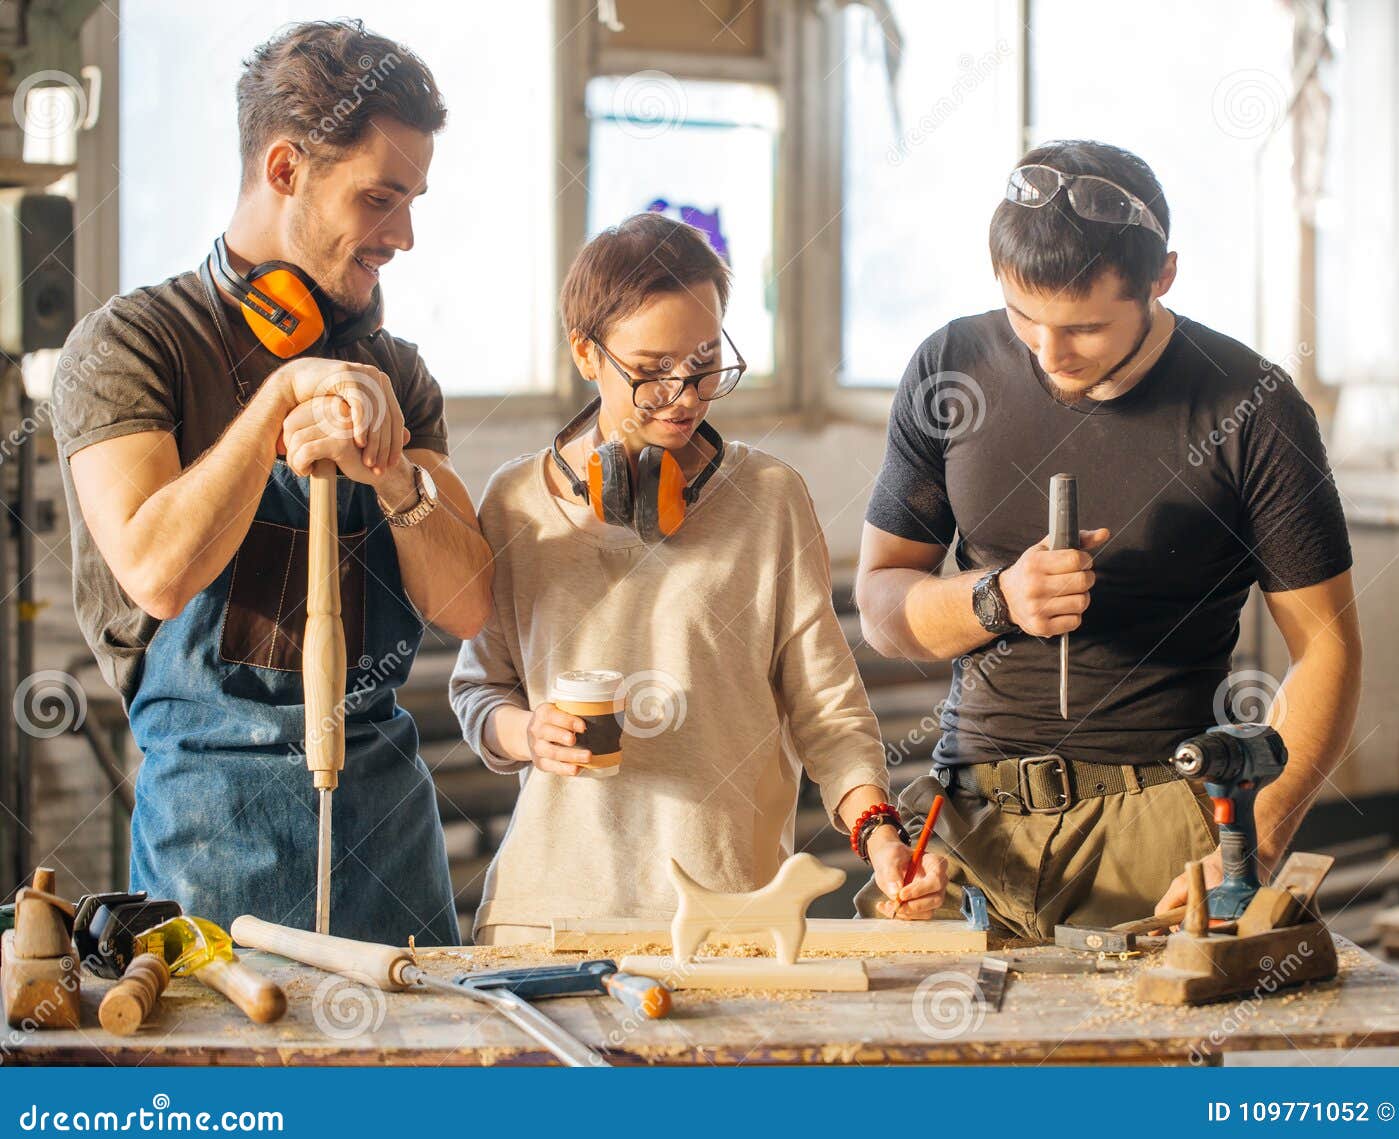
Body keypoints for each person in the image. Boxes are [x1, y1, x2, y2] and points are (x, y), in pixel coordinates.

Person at [52, 21, 493, 945]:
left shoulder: (395, 373)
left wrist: (393, 473)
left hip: (391, 833)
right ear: (286, 168)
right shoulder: (133, 345)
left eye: (413, 200)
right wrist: (279, 399)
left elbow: (468, 603)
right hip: (214, 833)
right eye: (380, 198)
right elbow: (157, 571)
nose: (404, 235)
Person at [853, 139, 1362, 937]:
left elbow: (1328, 649)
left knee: (1139, 1055)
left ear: (1162, 278)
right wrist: (998, 599)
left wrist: (1247, 850)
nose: (1050, 357)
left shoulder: (1253, 408)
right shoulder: (949, 367)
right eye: (1025, 318)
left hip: (1160, 820)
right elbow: (883, 605)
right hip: (971, 818)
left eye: (1084, 329)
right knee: (939, 1051)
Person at [450, 212, 947, 943]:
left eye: (705, 361)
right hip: (544, 916)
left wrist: (884, 840)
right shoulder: (513, 501)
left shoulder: (770, 497)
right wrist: (527, 732)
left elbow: (828, 711)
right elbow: (477, 687)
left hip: (730, 916)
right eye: (651, 372)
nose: (685, 395)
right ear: (587, 354)